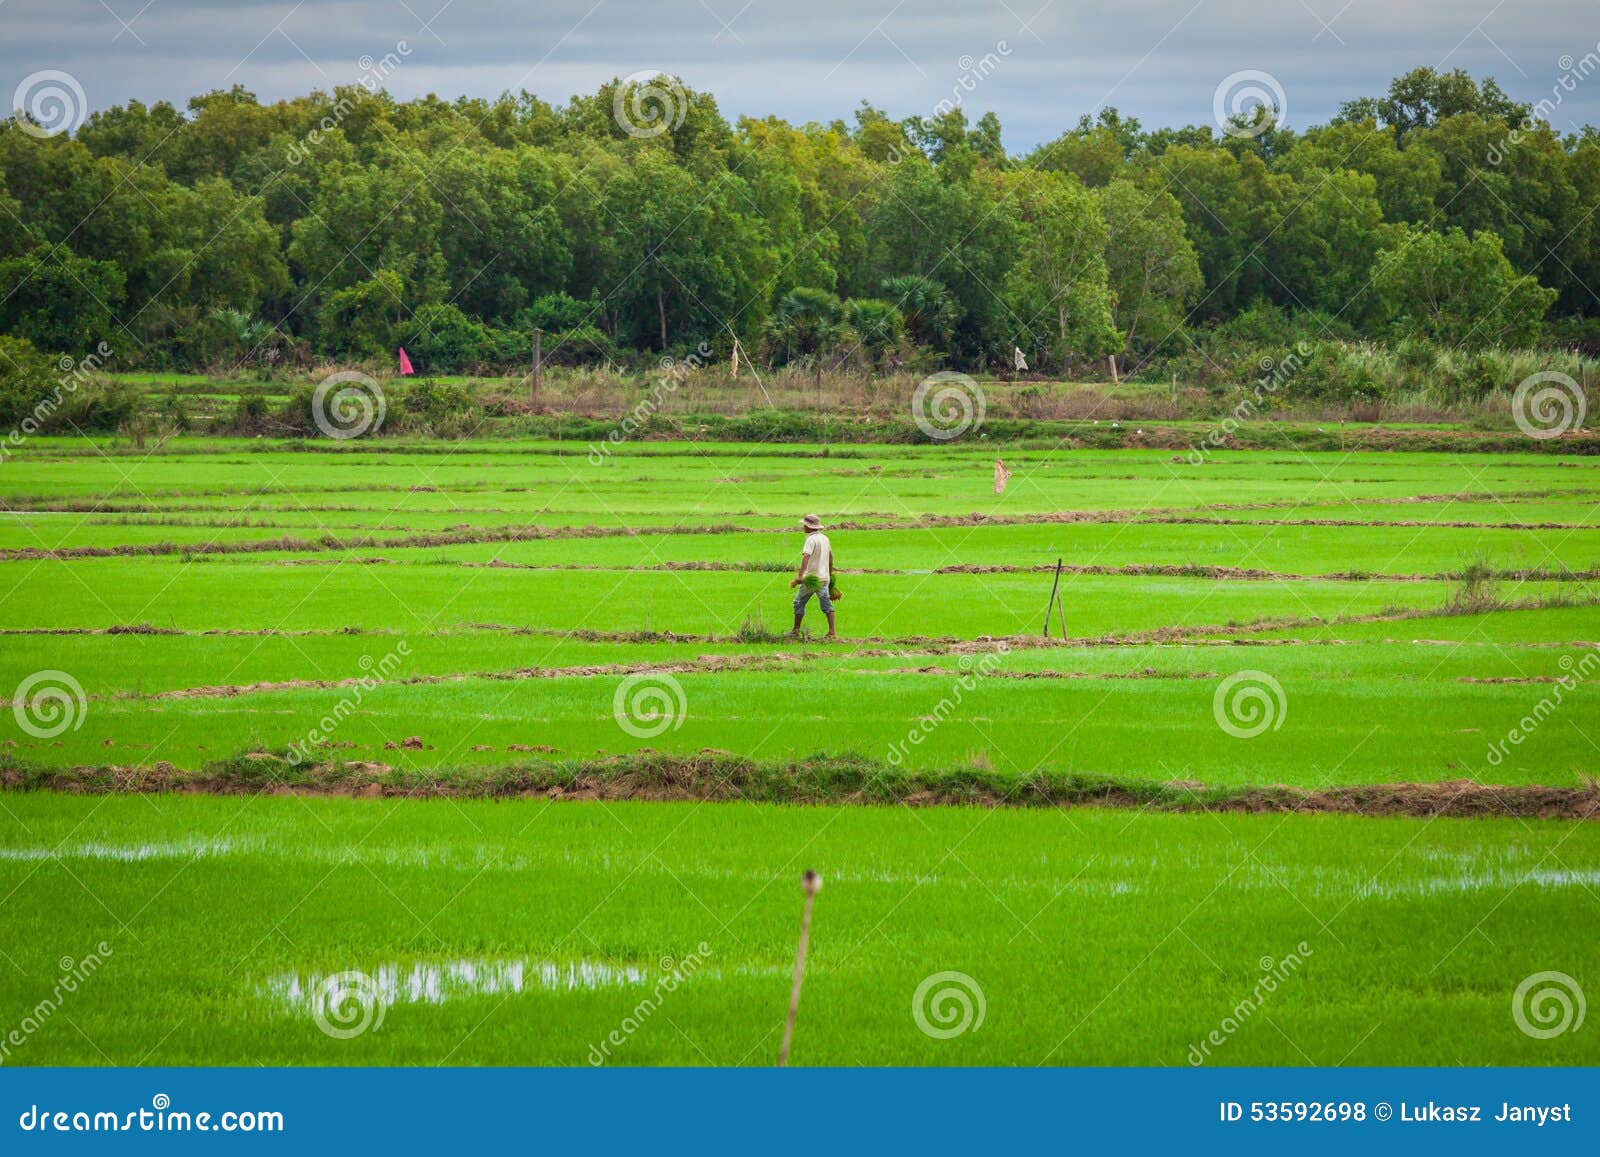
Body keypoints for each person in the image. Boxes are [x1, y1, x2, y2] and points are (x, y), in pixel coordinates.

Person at [790, 513, 836, 639]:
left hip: (811, 579)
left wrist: (800, 576)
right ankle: (832, 631)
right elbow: (831, 558)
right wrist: (830, 575)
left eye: (805, 525)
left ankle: (796, 630)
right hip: (824, 578)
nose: (803, 527)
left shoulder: (810, 539)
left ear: (810, 527)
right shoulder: (825, 538)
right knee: (826, 604)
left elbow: (806, 557)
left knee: (798, 602)